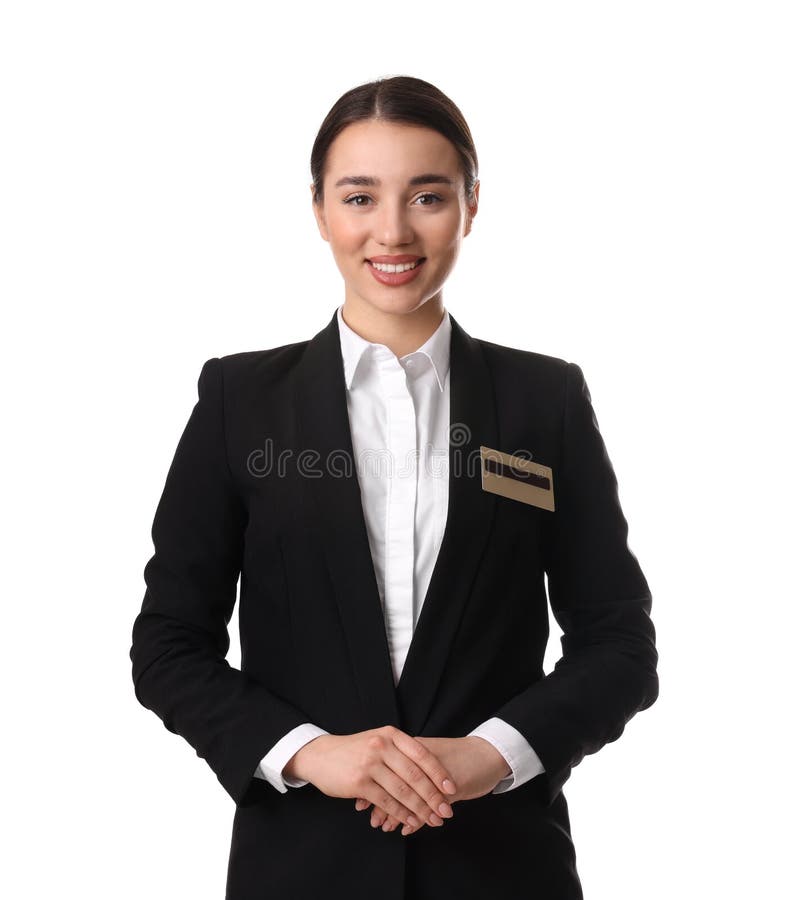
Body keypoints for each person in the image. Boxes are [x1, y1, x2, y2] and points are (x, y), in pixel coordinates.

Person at [130, 75, 659, 900]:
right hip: (300, 873)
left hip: (503, 870)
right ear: (318, 211)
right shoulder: (240, 400)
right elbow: (167, 643)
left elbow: (619, 643)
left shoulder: (544, 402)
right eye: (359, 196)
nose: (392, 231)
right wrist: (308, 750)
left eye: (427, 196)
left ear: (472, 204)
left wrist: (493, 753)